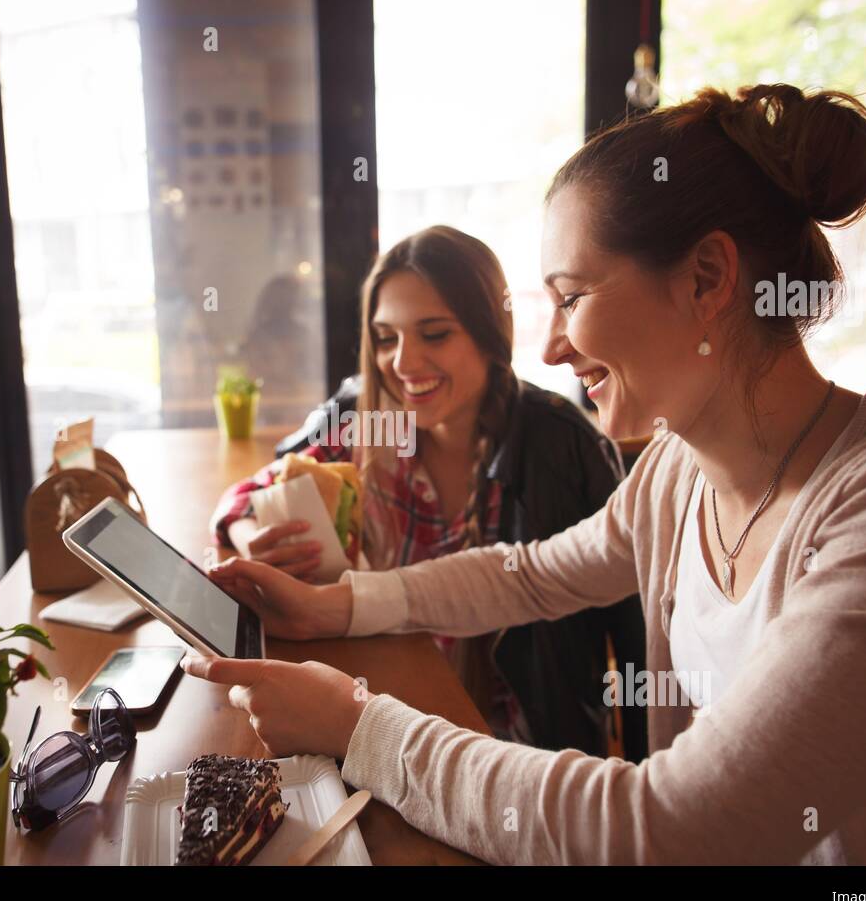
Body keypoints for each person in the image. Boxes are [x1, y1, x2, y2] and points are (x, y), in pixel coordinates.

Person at [185, 85, 866, 864]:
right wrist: (336, 605)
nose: (551, 347)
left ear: (708, 279)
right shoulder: (676, 476)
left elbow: (681, 826)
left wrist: (359, 726)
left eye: (571, 297)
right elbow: (531, 574)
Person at [209, 225, 647, 757]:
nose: (404, 363)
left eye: (435, 334)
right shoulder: (364, 415)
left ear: (490, 332)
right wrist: (252, 529)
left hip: (517, 740)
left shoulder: (561, 443)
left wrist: (642, 766)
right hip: (381, 701)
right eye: (387, 338)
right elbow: (256, 486)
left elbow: (634, 639)